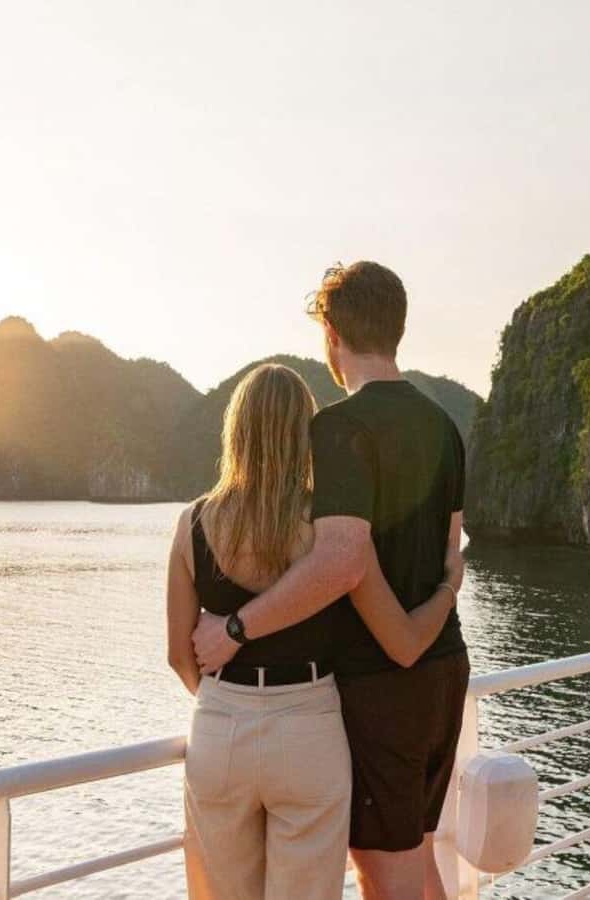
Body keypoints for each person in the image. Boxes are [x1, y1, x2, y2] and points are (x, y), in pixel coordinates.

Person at [193, 262, 470, 900]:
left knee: (384, 877)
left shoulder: (339, 429)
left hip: (383, 686)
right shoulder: (444, 428)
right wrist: (439, 605)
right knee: (416, 857)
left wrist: (236, 629)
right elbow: (449, 553)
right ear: (397, 328)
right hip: (444, 668)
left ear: (332, 337)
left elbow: (342, 559)